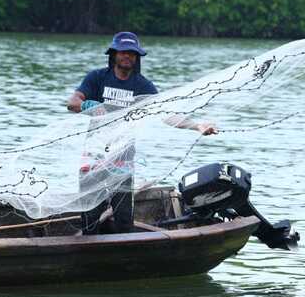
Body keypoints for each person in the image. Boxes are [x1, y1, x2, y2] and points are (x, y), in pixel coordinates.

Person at [67, 32, 217, 234]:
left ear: (137, 57)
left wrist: (196, 126)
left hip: (122, 160)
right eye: (123, 52)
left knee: (123, 219)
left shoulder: (142, 85)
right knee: (90, 216)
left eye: (132, 53)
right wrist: (87, 104)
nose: (127, 56)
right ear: (114, 54)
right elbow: (73, 103)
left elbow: (165, 114)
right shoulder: (97, 78)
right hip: (94, 156)